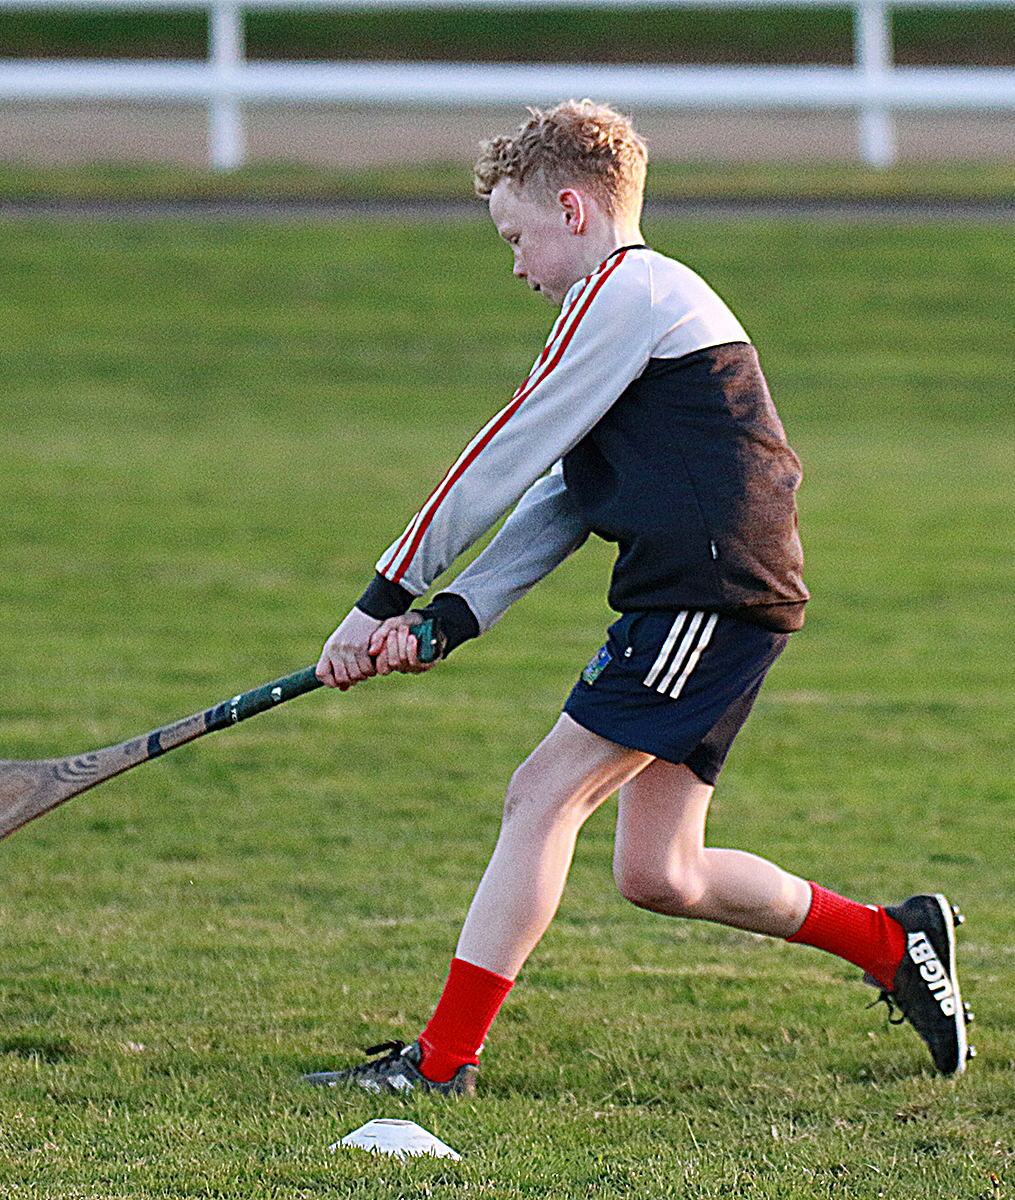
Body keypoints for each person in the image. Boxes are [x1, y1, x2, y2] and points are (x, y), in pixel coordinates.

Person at [306, 100, 971, 1094]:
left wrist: (379, 599)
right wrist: (453, 614)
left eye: (516, 238)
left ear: (573, 210)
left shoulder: (627, 292)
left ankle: (440, 1064)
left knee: (541, 796)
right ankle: (892, 941)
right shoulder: (630, 310)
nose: (516, 266)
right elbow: (566, 493)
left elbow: (502, 453)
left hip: (707, 595)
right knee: (661, 872)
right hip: (714, 597)